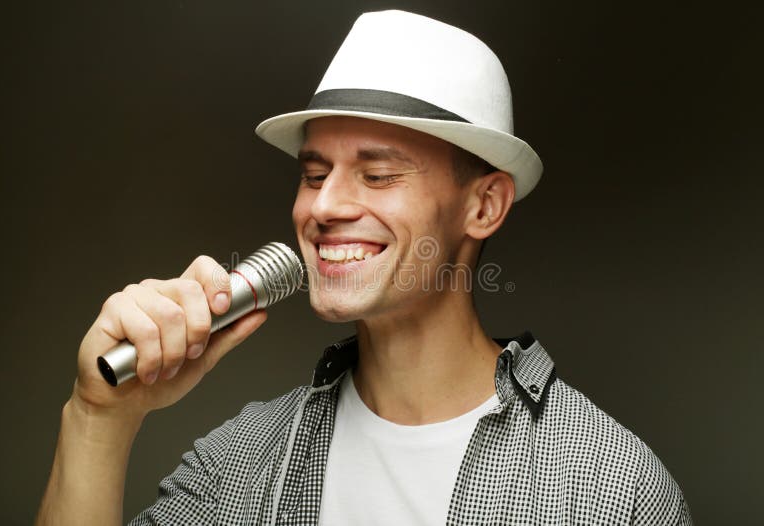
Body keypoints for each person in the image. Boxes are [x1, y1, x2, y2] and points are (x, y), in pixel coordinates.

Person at [36, 9, 691, 525]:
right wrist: (98, 420)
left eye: (377, 175)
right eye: (313, 174)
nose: (321, 206)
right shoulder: (239, 465)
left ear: (485, 204)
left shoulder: (612, 488)